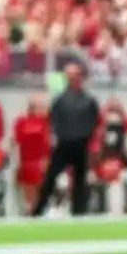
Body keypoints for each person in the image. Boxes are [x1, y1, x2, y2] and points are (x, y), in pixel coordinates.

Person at [33, 63, 99, 217]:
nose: (71, 79)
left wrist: (88, 140)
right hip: (63, 144)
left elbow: (94, 121)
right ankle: (38, 211)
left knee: (79, 181)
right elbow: (53, 121)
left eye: (74, 75)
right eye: (68, 76)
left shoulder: (88, 101)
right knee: (50, 178)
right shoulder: (59, 100)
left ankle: (79, 213)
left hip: (81, 145)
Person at [12, 95, 50, 216]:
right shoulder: (21, 121)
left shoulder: (48, 122)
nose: (42, 109)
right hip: (26, 164)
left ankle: (38, 212)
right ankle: (31, 213)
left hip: (41, 164)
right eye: (39, 106)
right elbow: (15, 142)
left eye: (43, 106)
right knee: (29, 199)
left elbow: (50, 144)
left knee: (40, 197)